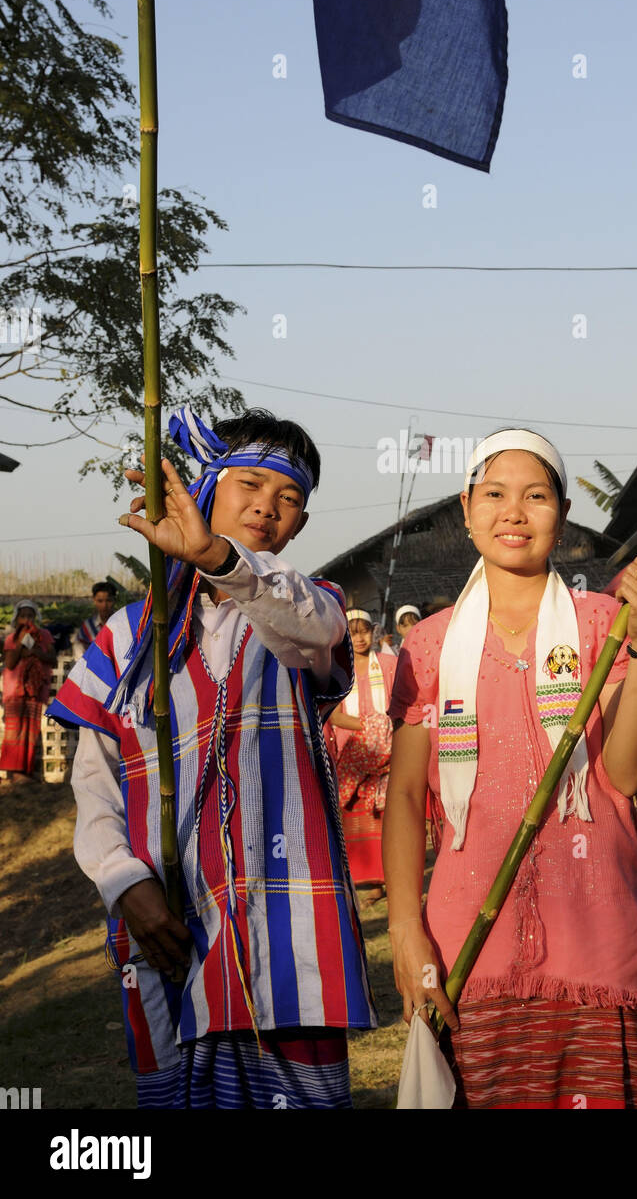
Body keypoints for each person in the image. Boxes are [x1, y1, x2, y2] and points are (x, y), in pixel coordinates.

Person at [48, 406, 376, 1109]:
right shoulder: (128, 638)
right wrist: (122, 881)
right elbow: (95, 782)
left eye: (288, 498)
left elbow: (312, 629)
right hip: (169, 919)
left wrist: (220, 563)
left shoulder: (303, 609)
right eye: (248, 485)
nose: (266, 507)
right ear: (203, 492)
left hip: (290, 930)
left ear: (301, 526)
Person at [383, 428, 637, 1110]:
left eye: (535, 497)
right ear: (466, 508)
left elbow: (625, 778)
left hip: (593, 939)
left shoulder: (605, 624)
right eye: (495, 495)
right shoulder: (429, 645)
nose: (513, 512)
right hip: (468, 946)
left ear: (561, 515)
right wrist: (403, 929)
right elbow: (402, 800)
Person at [327, 610, 396, 905]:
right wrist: (368, 726)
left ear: (374, 632)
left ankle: (392, 879)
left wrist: (384, 729)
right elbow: (332, 714)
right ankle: (368, 883)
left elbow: (404, 701)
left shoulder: (391, 664)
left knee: (387, 816)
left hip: (390, 751)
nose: (359, 638)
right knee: (357, 818)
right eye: (353, 633)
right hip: (354, 753)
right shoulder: (338, 671)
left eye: (364, 631)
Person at [1, 600, 56, 789]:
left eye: (30, 616)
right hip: (15, 690)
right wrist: (20, 642)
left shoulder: (44, 635)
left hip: (34, 690)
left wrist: (34, 651)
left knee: (30, 732)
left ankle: (25, 772)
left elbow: (52, 658)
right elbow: (10, 663)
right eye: (23, 615)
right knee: (14, 731)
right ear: (17, 618)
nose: (27, 619)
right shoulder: (11, 638)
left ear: (35, 618)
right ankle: (13, 772)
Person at [76, 580, 118, 653]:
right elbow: (81, 653)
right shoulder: (88, 626)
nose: (104, 605)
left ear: (114, 600)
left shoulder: (122, 624)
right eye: (100, 601)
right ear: (94, 601)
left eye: (108, 601)